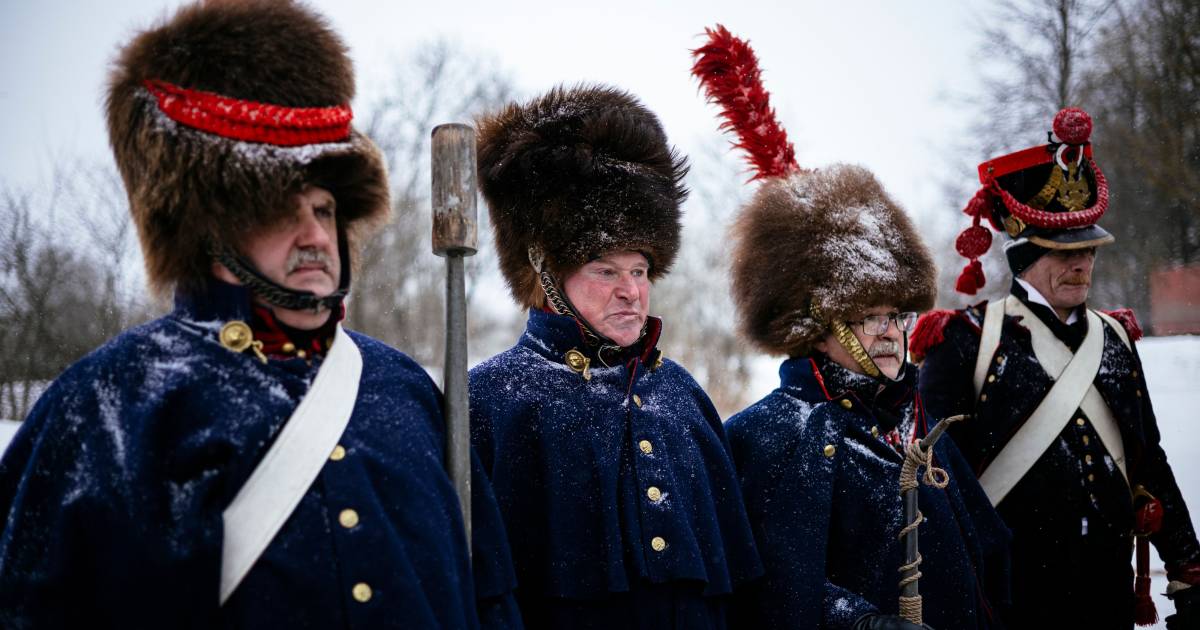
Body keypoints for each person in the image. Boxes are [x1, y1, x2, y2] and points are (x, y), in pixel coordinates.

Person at [0, 2, 520, 628]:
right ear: (209, 228)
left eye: (325, 210)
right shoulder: (107, 406)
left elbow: (489, 596)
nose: (315, 236)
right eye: (280, 209)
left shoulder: (404, 387)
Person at [692, 25, 1011, 630]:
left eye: (896, 315)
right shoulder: (776, 434)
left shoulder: (916, 420)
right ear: (816, 326)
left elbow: (986, 553)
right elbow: (779, 590)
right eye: (869, 318)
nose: (891, 332)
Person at [468, 84, 763, 629]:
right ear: (547, 275)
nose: (631, 290)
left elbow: (740, 587)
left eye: (640, 270)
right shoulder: (486, 401)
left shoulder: (682, 393)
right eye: (605, 270)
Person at [913, 107, 1200, 629]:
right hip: (1010, 600)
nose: (1082, 263)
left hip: (1106, 595)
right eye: (1064, 252)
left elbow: (1147, 460)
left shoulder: (1116, 337)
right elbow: (939, 484)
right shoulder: (965, 341)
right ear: (1023, 256)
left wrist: (1186, 567)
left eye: (1089, 251)